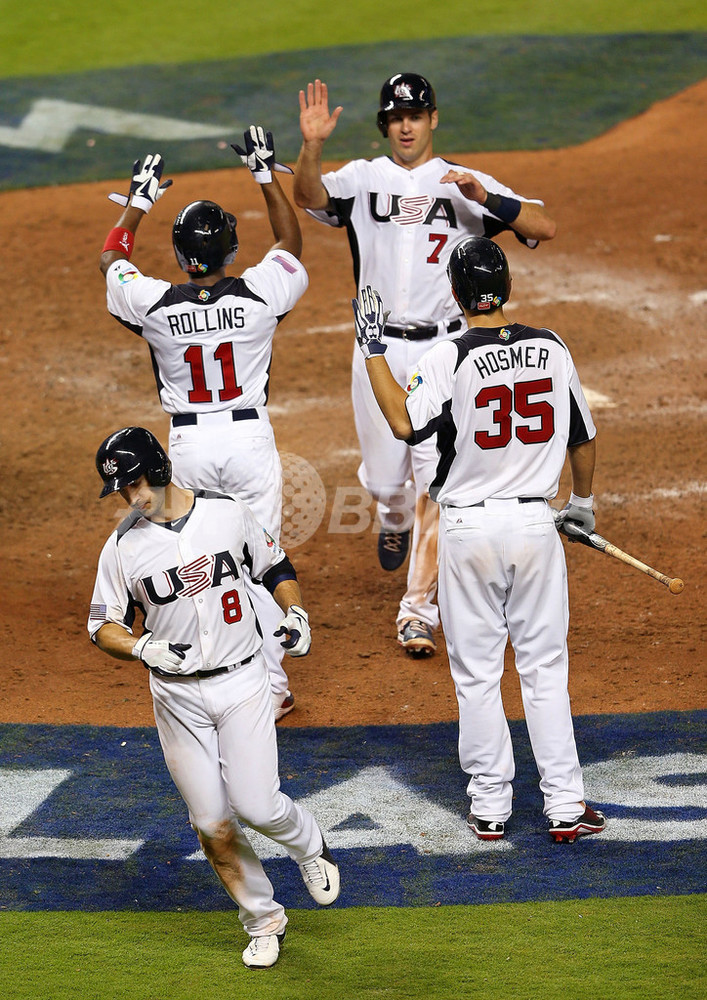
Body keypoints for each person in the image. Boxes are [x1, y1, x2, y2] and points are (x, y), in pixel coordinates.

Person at [350, 237, 607, 843]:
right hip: (535, 526)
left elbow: (403, 422)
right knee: (545, 669)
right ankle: (566, 806)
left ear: (457, 294)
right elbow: (582, 436)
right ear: (507, 286)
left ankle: (491, 805)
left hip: (467, 531)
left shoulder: (448, 357)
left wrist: (372, 350)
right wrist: (583, 505)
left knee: (477, 674)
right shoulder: (551, 346)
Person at [294, 74, 557, 659]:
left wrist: (485, 199)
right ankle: (392, 517)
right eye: (395, 117)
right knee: (389, 485)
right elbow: (308, 198)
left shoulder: (464, 182)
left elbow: (544, 225)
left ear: (433, 118)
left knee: (434, 483)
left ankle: (417, 610)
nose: (405, 125)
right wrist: (311, 146)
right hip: (378, 350)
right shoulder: (362, 179)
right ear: (385, 125)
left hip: (447, 352)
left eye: (415, 115)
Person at [87, 426, 340, 968]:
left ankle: (308, 844)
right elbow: (102, 626)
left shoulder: (225, 513)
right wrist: (141, 648)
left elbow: (274, 565)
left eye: (133, 484)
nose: (129, 498)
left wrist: (293, 611)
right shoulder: (122, 548)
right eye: (121, 490)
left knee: (257, 805)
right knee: (211, 824)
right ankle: (264, 920)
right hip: (176, 700)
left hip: (243, 681)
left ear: (157, 468)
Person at [99, 127, 305, 721]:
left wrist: (139, 199)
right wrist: (264, 172)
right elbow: (290, 240)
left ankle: (213, 667)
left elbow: (114, 260)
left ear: (182, 252)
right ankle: (270, 686)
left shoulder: (155, 305)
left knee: (205, 562)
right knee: (259, 560)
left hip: (186, 446)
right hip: (248, 438)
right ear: (232, 252)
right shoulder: (261, 295)